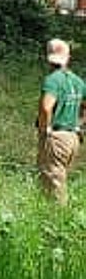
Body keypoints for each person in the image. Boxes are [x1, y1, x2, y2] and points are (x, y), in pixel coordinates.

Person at [36, 38, 86, 204]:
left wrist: (45, 130)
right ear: (68, 57)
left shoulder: (52, 80)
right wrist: (79, 125)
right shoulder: (78, 81)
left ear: (48, 57)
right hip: (72, 138)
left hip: (56, 137)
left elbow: (45, 108)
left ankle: (58, 220)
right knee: (60, 178)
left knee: (53, 185)